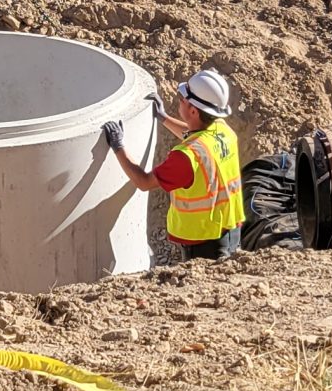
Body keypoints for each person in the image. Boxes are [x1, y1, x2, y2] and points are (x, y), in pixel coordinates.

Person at [102, 68, 245, 261]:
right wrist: (163, 118)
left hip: (203, 241)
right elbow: (194, 136)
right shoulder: (223, 130)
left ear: (193, 111)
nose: (180, 101)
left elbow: (144, 182)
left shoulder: (186, 157)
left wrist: (118, 146)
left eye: (183, 100)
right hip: (229, 230)